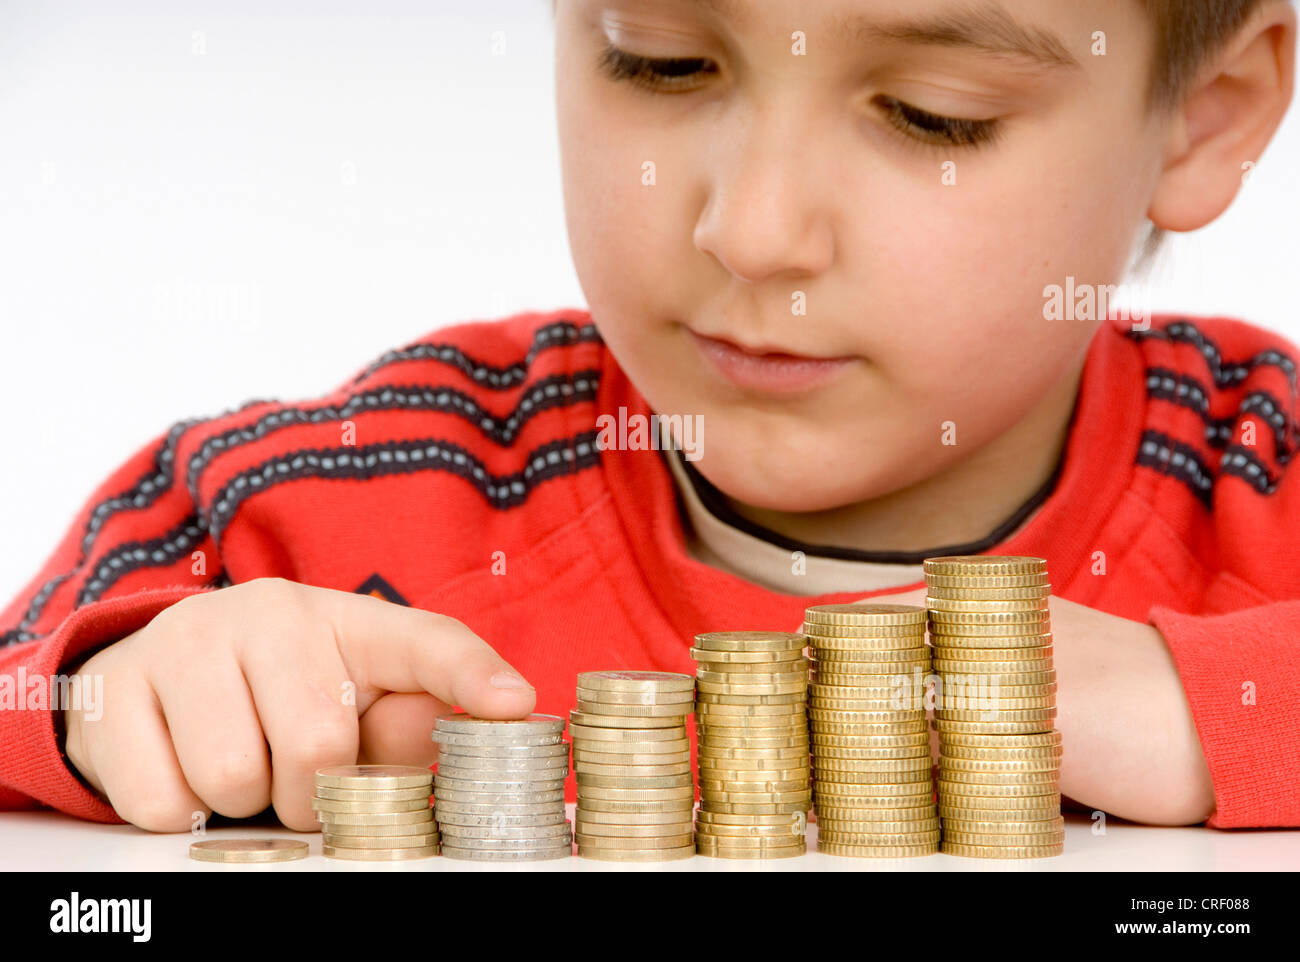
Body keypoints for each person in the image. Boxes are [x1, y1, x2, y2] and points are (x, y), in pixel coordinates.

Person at [2, 0, 1297, 833]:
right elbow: (20, 685)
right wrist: (116, 697)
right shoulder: (348, 498)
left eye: (931, 113)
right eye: (659, 60)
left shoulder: (1268, 469)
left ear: (1205, 118)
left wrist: (1223, 711)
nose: (752, 229)